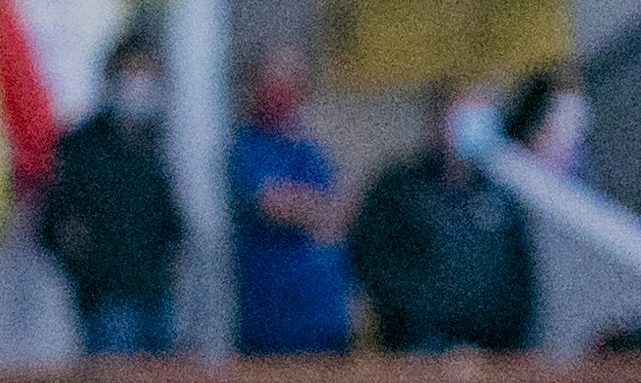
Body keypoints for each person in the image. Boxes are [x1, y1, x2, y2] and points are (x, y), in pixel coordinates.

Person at [348, 87, 540, 352]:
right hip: (415, 352)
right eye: (461, 115)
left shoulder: (500, 196)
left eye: (480, 116)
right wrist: (428, 340)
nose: (471, 126)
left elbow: (519, 279)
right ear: (436, 121)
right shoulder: (398, 189)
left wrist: (508, 349)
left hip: (492, 357)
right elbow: (375, 264)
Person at [35, 43, 186, 354]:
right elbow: (54, 225)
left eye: (150, 74)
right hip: (108, 304)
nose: (142, 84)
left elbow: (169, 221)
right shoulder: (82, 146)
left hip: (158, 298)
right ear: (112, 78)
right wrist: (92, 274)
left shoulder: (154, 146)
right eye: (134, 73)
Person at [226, 53, 353, 356]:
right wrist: (318, 210)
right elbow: (274, 204)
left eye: (290, 81)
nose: (283, 92)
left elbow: (344, 211)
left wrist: (312, 208)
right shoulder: (247, 149)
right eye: (273, 83)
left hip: (326, 323)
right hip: (273, 326)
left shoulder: (310, 152)